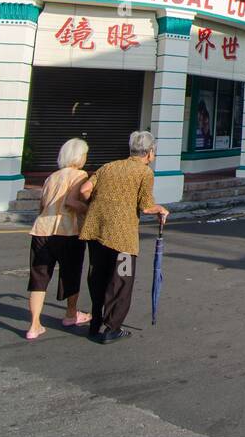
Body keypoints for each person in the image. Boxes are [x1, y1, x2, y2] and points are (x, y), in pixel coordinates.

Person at [78, 130, 169, 344]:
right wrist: (161, 210)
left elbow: (84, 190)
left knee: (98, 277)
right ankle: (112, 327)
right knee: (121, 280)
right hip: (123, 239)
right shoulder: (144, 173)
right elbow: (146, 207)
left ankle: (95, 323)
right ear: (149, 153)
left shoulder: (108, 166)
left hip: (96, 232)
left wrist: (97, 207)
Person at [25, 138, 91, 341]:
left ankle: (34, 324)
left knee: (38, 277)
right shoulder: (80, 175)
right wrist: (88, 209)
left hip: (42, 230)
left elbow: (42, 204)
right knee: (71, 273)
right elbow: (73, 203)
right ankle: (71, 313)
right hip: (67, 230)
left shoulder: (51, 177)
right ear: (80, 157)